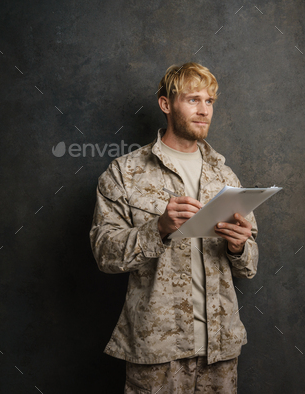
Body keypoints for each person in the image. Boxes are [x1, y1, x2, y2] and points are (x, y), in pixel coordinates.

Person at [89, 62, 259, 393]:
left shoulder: (225, 178)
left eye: (209, 101)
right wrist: (159, 228)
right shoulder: (124, 173)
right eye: (193, 99)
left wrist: (239, 247)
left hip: (219, 350)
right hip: (156, 349)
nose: (204, 110)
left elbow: (249, 266)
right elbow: (104, 253)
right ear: (166, 104)